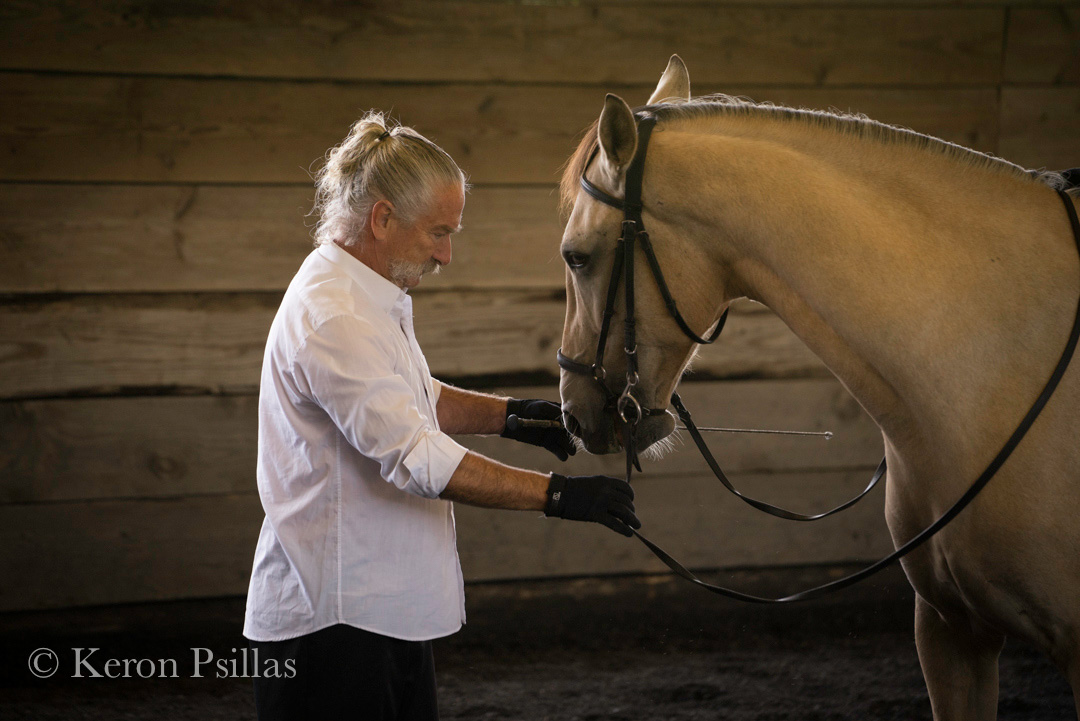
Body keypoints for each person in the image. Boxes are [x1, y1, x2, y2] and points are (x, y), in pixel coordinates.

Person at [243, 111, 639, 721]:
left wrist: (514, 417)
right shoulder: (336, 315)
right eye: (437, 233)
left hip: (379, 606)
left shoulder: (363, 290)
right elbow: (415, 456)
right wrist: (561, 497)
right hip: (336, 622)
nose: (446, 255)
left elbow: (409, 394)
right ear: (381, 218)